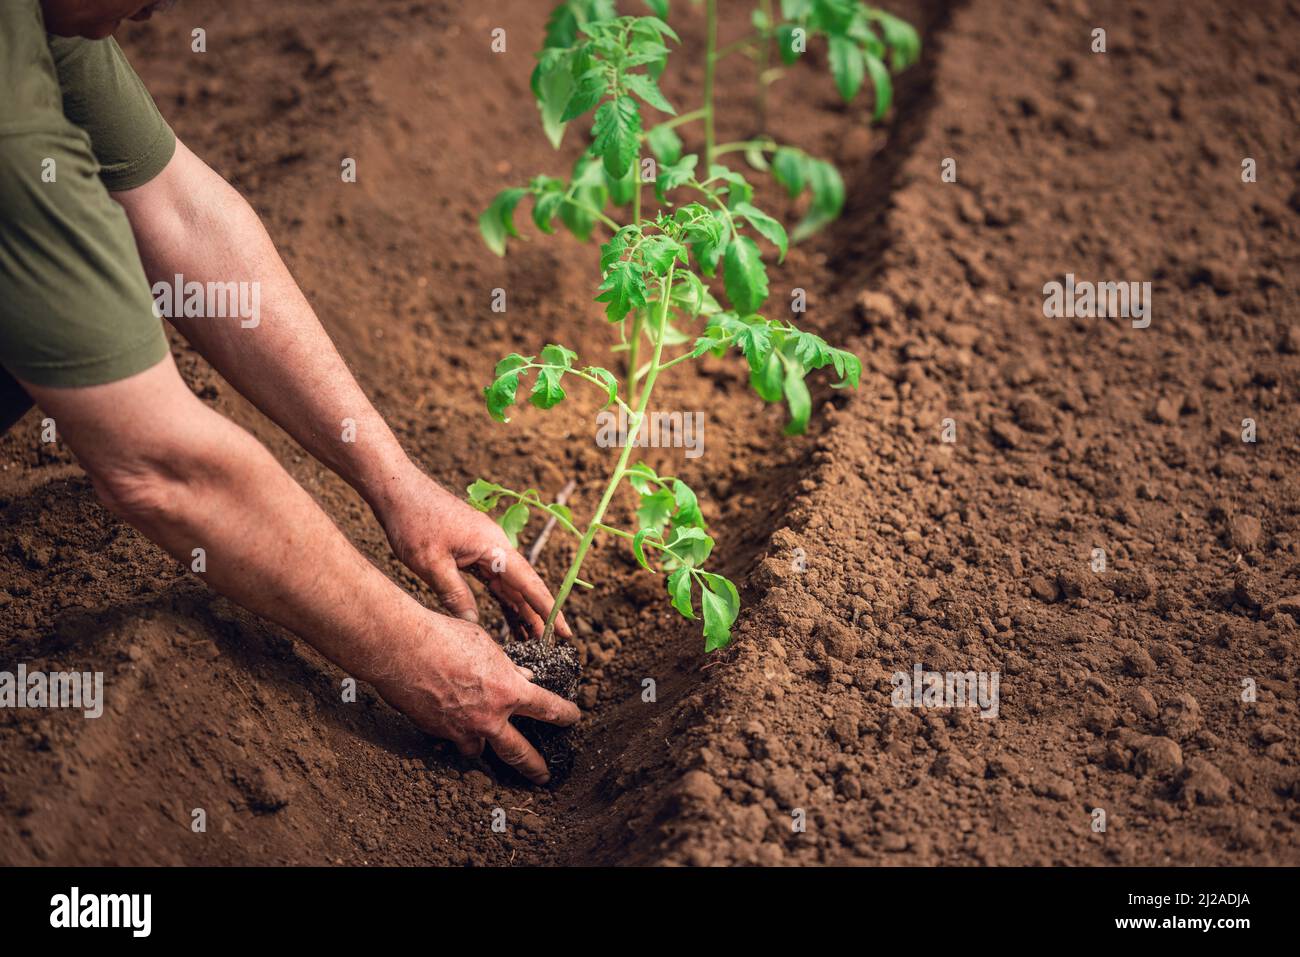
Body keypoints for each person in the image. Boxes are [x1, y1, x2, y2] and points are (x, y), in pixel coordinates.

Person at [0, 0, 579, 784]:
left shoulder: (48, 22)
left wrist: (395, 481)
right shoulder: (13, 127)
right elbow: (161, 464)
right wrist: (408, 647)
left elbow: (182, 214)